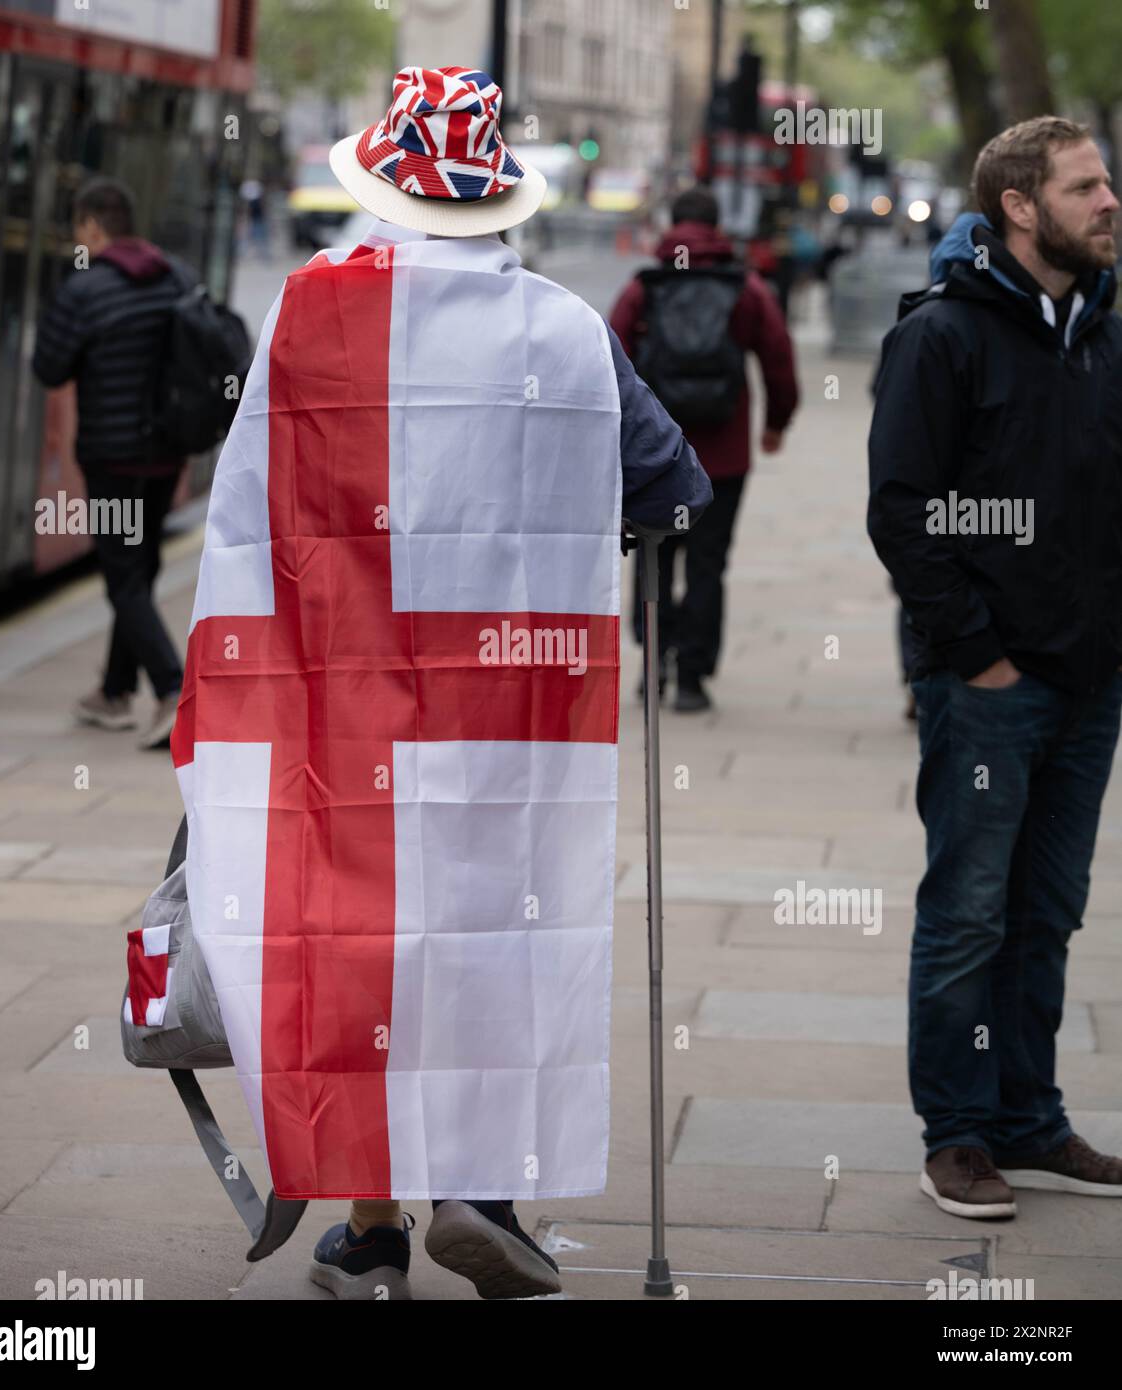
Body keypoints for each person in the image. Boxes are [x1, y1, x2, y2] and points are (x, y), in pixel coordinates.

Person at [174, 66, 711, 1301]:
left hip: (339, 703)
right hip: (511, 716)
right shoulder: (564, 329)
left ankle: (369, 1234)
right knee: (490, 937)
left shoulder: (307, 315)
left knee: (359, 944)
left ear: (375, 186)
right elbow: (675, 489)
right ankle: (481, 1189)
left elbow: (249, 521)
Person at [868, 116, 1122, 1219]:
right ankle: (958, 1134)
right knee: (970, 907)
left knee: (1048, 907)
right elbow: (900, 509)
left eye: (1104, 183)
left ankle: (1027, 1115)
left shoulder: (1100, 331)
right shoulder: (942, 336)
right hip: (988, 687)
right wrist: (973, 653)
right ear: (1019, 207)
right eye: (1084, 186)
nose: (1108, 201)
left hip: (1088, 679)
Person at [610, 187, 798, 711]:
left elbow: (608, 362)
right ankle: (693, 677)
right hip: (724, 457)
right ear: (719, 227)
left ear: (673, 223)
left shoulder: (643, 288)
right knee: (709, 565)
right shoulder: (746, 288)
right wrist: (777, 421)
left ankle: (654, 667)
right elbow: (779, 357)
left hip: (654, 458)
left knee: (654, 560)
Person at [33, 177, 190, 750]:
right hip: (167, 455)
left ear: (93, 228)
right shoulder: (176, 276)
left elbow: (49, 367)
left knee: (124, 580)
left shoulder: (86, 289)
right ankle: (115, 692)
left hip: (114, 457)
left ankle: (173, 689)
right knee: (140, 571)